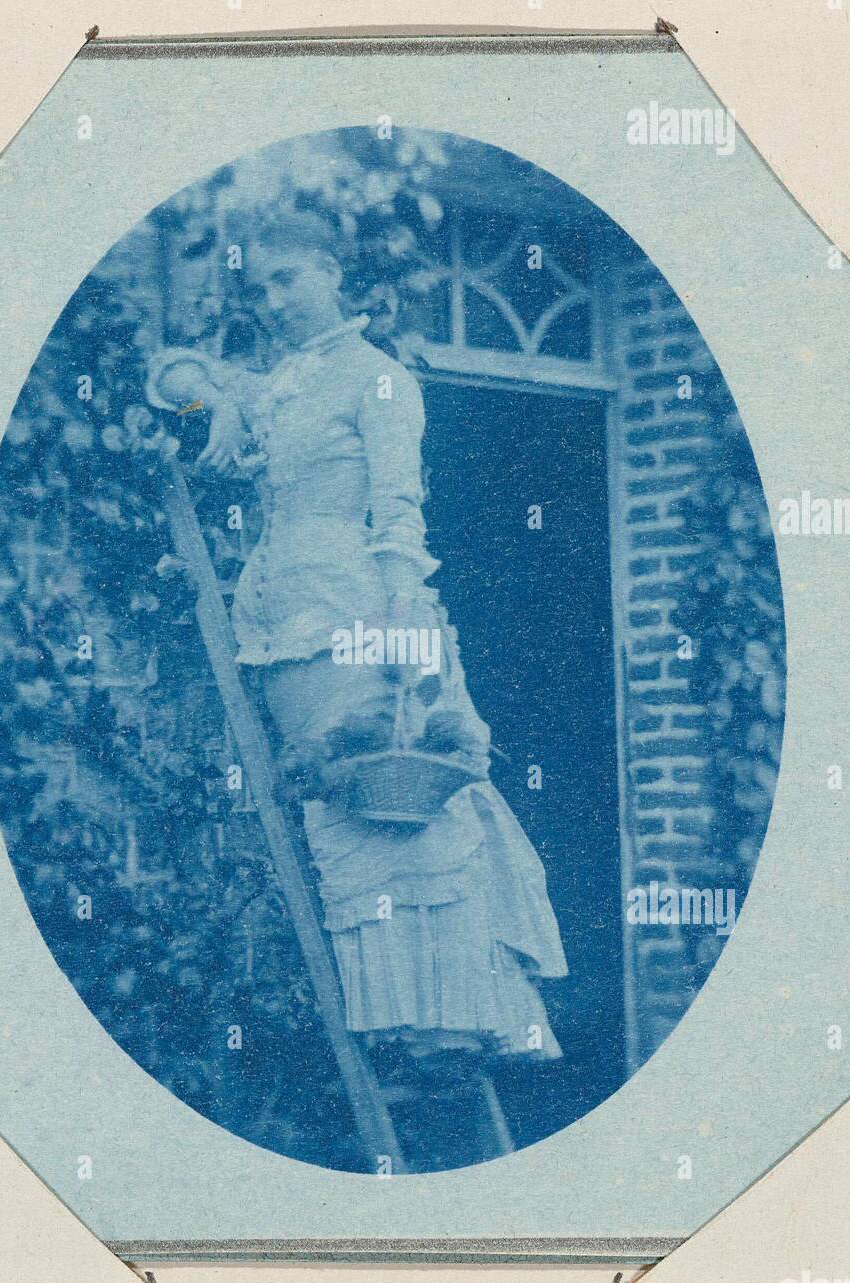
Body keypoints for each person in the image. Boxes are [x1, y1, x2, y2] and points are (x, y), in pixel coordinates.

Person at [153, 211, 568, 1069]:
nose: (274, 301)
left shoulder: (378, 380)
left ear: (333, 274)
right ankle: (394, 1020)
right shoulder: (280, 385)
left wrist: (404, 622)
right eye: (262, 288)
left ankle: (450, 1020)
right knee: (334, 811)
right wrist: (214, 402)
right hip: (277, 624)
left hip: (356, 613)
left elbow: (397, 507)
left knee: (394, 803)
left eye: (290, 279)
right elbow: (167, 371)